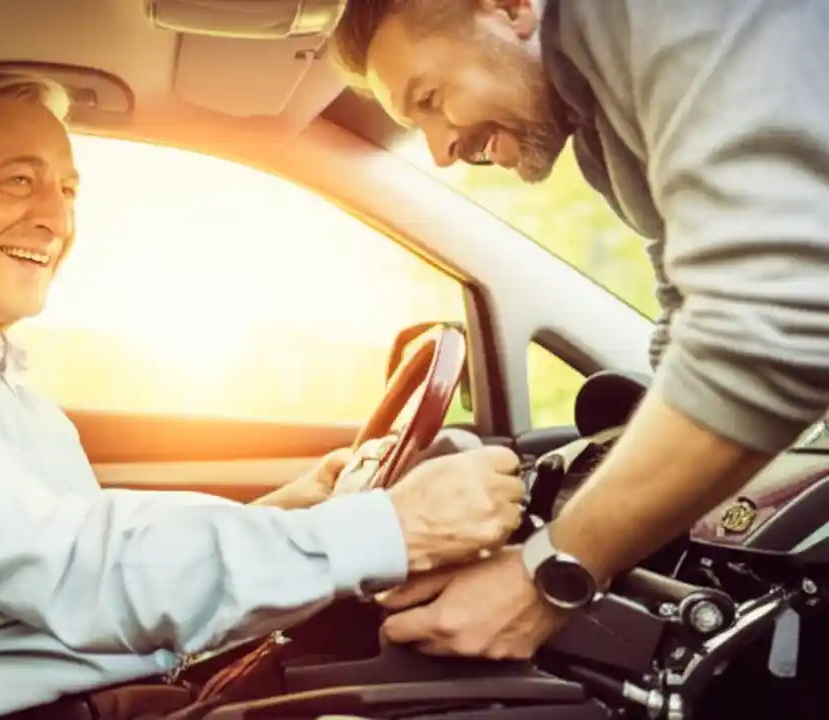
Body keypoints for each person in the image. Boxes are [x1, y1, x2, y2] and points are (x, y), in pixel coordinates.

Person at [0, 69, 526, 719]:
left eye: (66, 189)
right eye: (18, 181)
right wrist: (388, 529)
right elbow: (75, 571)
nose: (56, 219)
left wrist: (285, 512)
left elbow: (71, 541)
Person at [331, 0, 829, 659]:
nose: (441, 149)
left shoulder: (666, 19)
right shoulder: (596, 120)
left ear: (508, 8)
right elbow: (688, 319)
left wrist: (550, 574)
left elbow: (769, 330)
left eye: (431, 98)